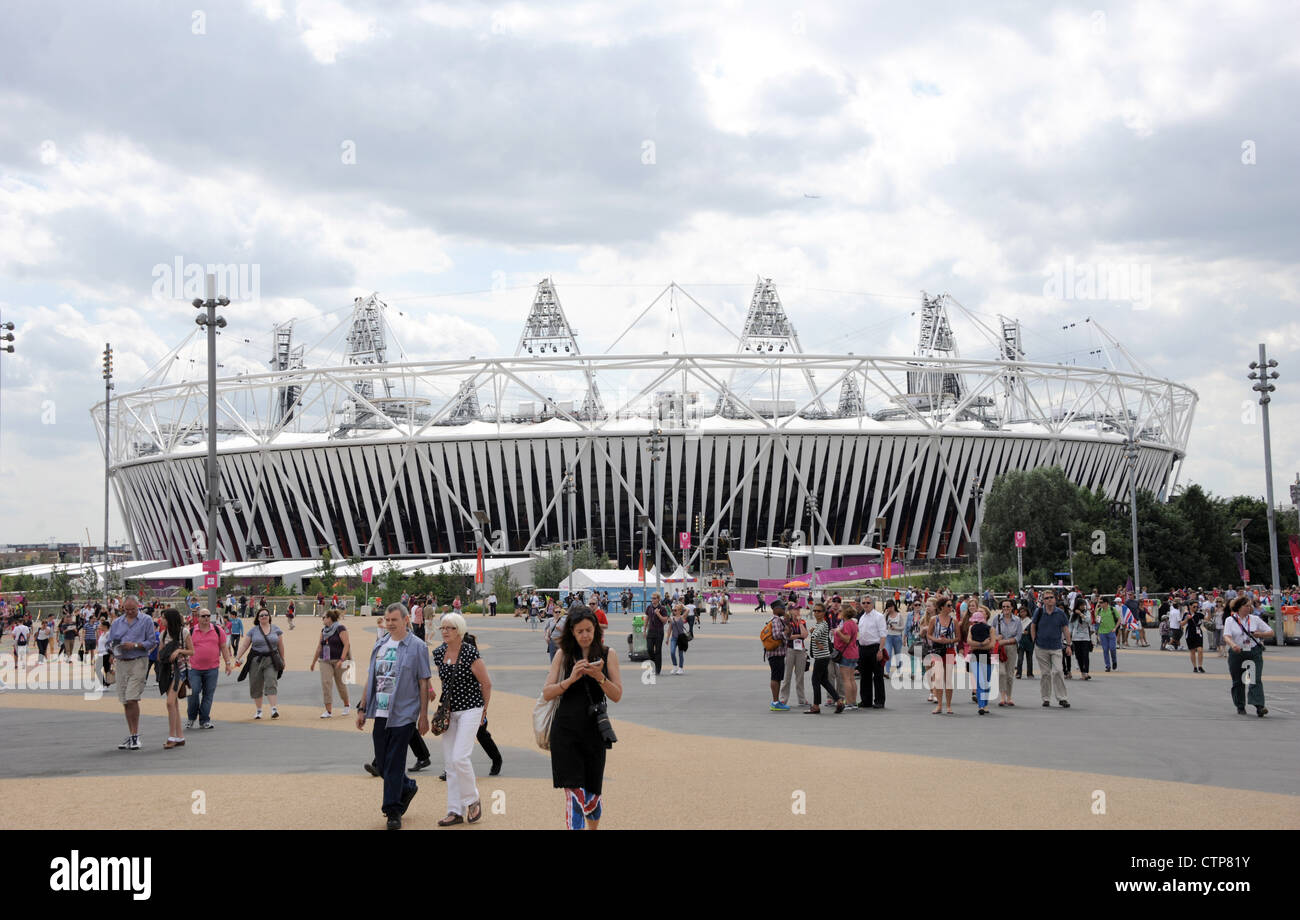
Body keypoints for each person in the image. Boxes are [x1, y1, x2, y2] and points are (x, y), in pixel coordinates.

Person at [542, 607, 623, 829]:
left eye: (589, 630)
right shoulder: (563, 654)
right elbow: (547, 692)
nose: (585, 635)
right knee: (574, 795)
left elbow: (617, 695)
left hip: (594, 732)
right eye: (580, 631)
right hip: (565, 732)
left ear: (596, 629)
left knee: (592, 793)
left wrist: (599, 677)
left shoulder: (609, 654)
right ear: (572, 633)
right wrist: (570, 679)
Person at [355, 602, 431, 830]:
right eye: (387, 620)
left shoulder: (417, 646)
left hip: (404, 713)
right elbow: (371, 677)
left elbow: (424, 681)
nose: (389, 624)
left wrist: (424, 715)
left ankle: (393, 811)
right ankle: (407, 787)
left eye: (394, 620)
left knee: (395, 762)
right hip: (380, 711)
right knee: (384, 764)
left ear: (406, 620)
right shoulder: (380, 644)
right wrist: (362, 707)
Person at [431, 612, 492, 826]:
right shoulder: (438, 653)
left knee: (460, 757)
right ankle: (454, 811)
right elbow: (445, 683)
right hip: (450, 711)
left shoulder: (470, 653)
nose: (445, 631)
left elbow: (486, 684)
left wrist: (483, 711)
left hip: (471, 709)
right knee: (450, 762)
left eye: (450, 628)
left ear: (460, 630)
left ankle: (473, 799)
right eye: (443, 628)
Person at [106, 597, 159, 750]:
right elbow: (112, 641)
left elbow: (152, 642)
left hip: (139, 660)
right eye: (126, 609)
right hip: (122, 662)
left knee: (132, 697)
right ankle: (131, 734)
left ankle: (135, 735)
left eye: (133, 609)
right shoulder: (117, 623)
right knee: (124, 700)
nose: (130, 612)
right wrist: (113, 651)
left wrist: (135, 645)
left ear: (138, 607)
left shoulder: (146, 620)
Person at [1222, 595, 1272, 716]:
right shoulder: (1230, 620)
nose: (1249, 608)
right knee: (1238, 680)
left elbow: (1270, 632)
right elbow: (1226, 636)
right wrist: (1233, 645)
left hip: (1253, 651)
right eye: (1246, 606)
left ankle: (1259, 706)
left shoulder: (1255, 619)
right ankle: (1240, 705)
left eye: (1250, 606)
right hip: (1237, 652)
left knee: (1254, 678)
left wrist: (1259, 634)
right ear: (1239, 607)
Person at [233, 608, 285, 720]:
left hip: (271, 659)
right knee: (256, 684)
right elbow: (245, 645)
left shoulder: (276, 629)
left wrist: (283, 659)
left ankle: (273, 709)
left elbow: (280, 645)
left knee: (271, 681)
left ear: (269, 617)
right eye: (261, 615)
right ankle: (259, 710)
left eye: (266, 614)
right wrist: (238, 657)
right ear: (258, 618)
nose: (264, 616)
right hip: (255, 660)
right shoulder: (253, 631)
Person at [185, 608, 232, 730]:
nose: (206, 618)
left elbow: (223, 647)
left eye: (208, 616)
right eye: (203, 616)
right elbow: (185, 648)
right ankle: (191, 717)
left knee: (208, 695)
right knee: (193, 693)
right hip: (193, 668)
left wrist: (227, 663)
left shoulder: (217, 630)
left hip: (212, 668)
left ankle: (204, 719)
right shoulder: (191, 631)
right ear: (198, 617)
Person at [156, 608, 194, 749]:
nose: (162, 620)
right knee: (174, 705)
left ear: (170, 619)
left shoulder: (184, 632)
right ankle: (180, 737)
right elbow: (160, 654)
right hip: (167, 670)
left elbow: (192, 651)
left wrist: (178, 650)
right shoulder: (162, 634)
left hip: (181, 670)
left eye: (164, 618)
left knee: (170, 703)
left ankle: (172, 736)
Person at [311, 609, 352, 718]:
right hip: (325, 660)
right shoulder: (323, 631)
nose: (322, 619)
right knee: (326, 683)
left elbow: (347, 644)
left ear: (329, 618)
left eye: (324, 617)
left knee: (341, 684)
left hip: (339, 660)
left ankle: (347, 704)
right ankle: (328, 711)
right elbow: (319, 646)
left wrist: (342, 660)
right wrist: (314, 662)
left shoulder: (340, 628)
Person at [1031, 592, 1070, 708]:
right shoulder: (1039, 612)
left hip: (1056, 647)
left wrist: (1069, 645)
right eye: (1046, 598)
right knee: (1045, 674)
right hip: (1041, 646)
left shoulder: (1060, 613)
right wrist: (1034, 641)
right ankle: (1046, 698)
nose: (1049, 600)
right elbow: (1033, 625)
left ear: (1055, 599)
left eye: (1051, 598)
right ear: (1043, 600)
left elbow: (1065, 629)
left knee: (1058, 671)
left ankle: (1062, 698)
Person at [805, 603, 843, 714]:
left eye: (819, 611)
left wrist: (815, 638)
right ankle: (839, 700)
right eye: (815, 611)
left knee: (815, 680)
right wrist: (814, 633)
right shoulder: (820, 624)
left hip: (821, 657)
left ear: (823, 613)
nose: (816, 613)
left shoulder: (823, 624)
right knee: (824, 681)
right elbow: (817, 634)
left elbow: (816, 636)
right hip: (823, 656)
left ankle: (816, 706)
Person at [927, 597, 959, 714]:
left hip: (949, 650)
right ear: (942, 607)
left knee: (948, 679)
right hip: (937, 650)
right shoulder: (933, 620)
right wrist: (937, 640)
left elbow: (958, 637)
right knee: (939, 678)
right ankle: (939, 705)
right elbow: (929, 634)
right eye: (948, 605)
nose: (951, 607)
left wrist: (949, 641)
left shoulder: (954, 621)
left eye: (951, 605)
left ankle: (949, 705)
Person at [857, 597, 887, 709]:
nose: (865, 604)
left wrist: (880, 650)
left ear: (873, 604)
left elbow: (883, 635)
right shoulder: (862, 617)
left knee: (878, 676)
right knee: (864, 676)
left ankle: (879, 700)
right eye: (863, 603)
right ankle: (866, 700)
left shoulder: (878, 616)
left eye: (868, 603)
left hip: (875, 647)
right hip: (863, 648)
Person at [990, 600, 1020, 706]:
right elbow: (991, 633)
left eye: (1008, 606)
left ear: (1012, 607)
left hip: (1011, 648)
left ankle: (1009, 697)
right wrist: (997, 638)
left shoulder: (1017, 620)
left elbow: (1018, 637)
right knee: (1001, 672)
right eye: (1003, 606)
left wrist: (1006, 641)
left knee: (1010, 674)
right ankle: (1002, 696)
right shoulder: (996, 619)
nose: (1006, 608)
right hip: (998, 648)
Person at [764, 600, 792, 710]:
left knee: (778, 677)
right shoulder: (776, 621)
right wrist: (785, 632)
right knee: (775, 677)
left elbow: (788, 634)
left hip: (779, 653)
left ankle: (777, 701)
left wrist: (788, 624)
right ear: (775, 609)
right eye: (781, 607)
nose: (784, 609)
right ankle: (775, 702)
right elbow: (776, 636)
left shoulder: (780, 621)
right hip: (775, 653)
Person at [779, 603, 809, 707]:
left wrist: (800, 623)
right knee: (787, 676)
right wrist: (799, 635)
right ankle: (783, 698)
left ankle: (802, 699)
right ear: (790, 611)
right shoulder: (787, 621)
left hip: (801, 649)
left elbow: (805, 635)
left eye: (799, 609)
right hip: (790, 649)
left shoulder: (802, 621)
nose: (798, 611)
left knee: (800, 676)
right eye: (795, 609)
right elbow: (788, 636)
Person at [831, 601, 859, 709]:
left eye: (840, 611)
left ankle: (848, 702)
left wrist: (838, 632)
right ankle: (853, 702)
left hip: (846, 653)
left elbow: (846, 639)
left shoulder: (847, 624)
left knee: (846, 679)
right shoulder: (853, 623)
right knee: (851, 678)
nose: (839, 612)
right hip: (853, 652)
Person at [968, 608, 995, 714]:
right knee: (981, 681)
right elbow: (968, 641)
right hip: (979, 656)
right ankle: (981, 706)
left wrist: (976, 646)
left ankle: (985, 704)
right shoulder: (972, 628)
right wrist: (983, 644)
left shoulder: (991, 628)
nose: (974, 623)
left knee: (986, 682)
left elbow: (992, 645)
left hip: (987, 656)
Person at [1068, 597, 1094, 680]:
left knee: (1085, 655)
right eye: (1082, 605)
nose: (1083, 606)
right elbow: (1070, 626)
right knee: (1078, 656)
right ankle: (1082, 673)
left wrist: (1081, 614)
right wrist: (1069, 636)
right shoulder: (1073, 614)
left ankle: (1086, 672)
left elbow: (1089, 621)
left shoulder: (1087, 613)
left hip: (1085, 637)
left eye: (1084, 605)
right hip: (1076, 638)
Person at [643, 593, 668, 676]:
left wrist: (658, 614)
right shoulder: (649, 607)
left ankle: (658, 669)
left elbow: (665, 621)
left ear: (658, 599)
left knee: (658, 651)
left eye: (654, 598)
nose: (652, 600)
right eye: (652, 598)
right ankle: (655, 661)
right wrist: (644, 630)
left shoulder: (663, 608)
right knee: (649, 649)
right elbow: (647, 618)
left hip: (659, 632)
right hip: (650, 631)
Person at [668, 603, 689, 675]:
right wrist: (667, 638)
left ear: (680, 611)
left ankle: (680, 668)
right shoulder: (672, 618)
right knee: (672, 652)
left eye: (676, 610)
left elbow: (688, 610)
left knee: (680, 654)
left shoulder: (682, 617)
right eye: (673, 610)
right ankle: (674, 666)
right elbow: (669, 629)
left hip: (681, 638)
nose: (674, 611)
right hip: (673, 638)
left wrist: (683, 605)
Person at [1185, 603, 1206, 673]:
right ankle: (1195, 667)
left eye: (1197, 606)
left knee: (1200, 650)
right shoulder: (1186, 614)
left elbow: (1207, 619)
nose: (1196, 608)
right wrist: (1186, 619)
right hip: (1190, 633)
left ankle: (1200, 666)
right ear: (1190, 606)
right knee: (1192, 651)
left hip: (1198, 633)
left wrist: (1209, 613)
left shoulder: (1199, 614)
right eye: (1194, 606)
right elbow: (1181, 624)